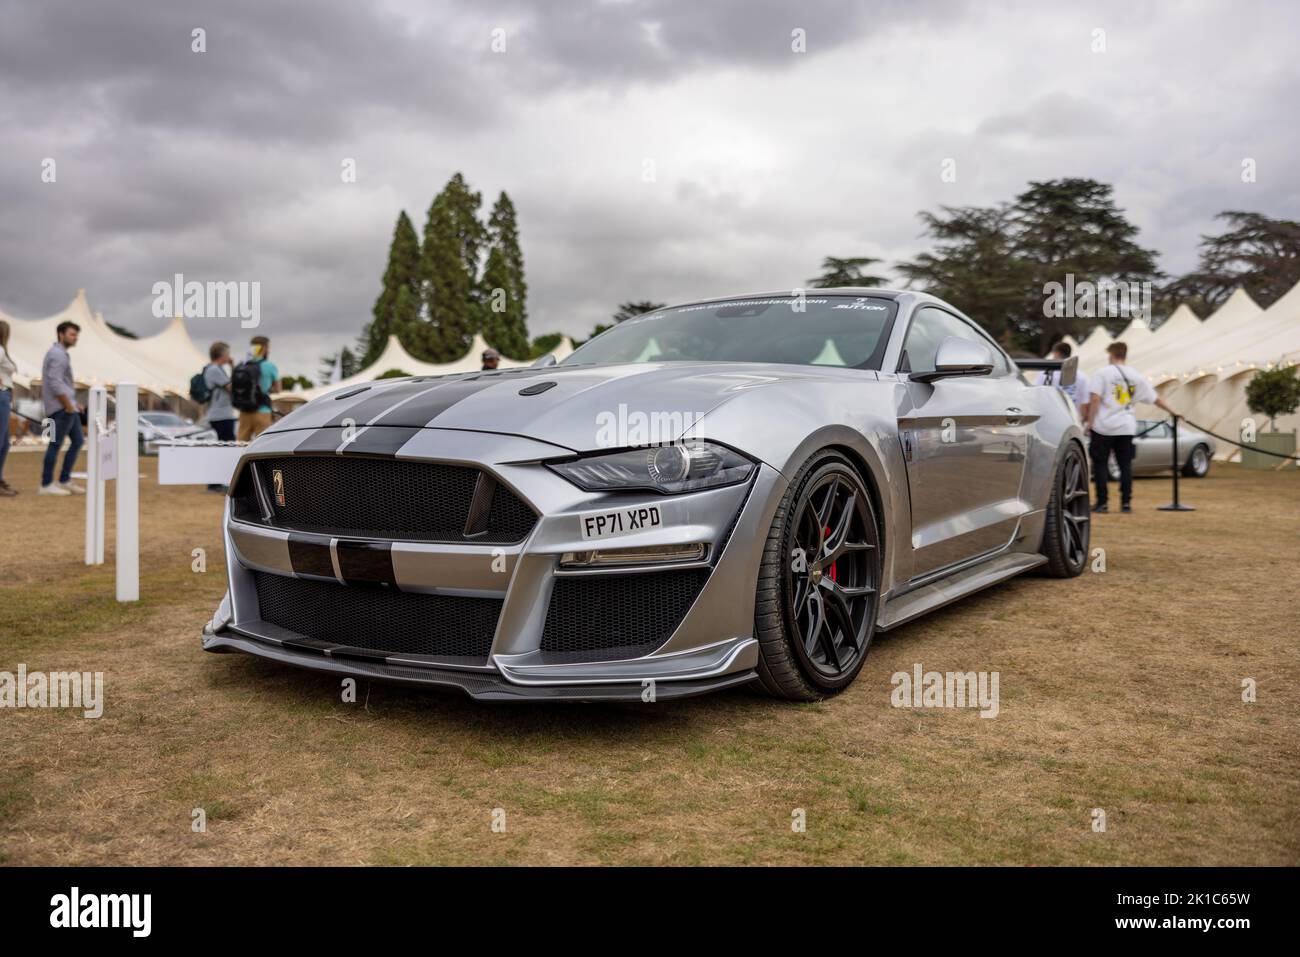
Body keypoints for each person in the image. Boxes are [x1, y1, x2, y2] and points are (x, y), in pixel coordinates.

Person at [1086, 341, 1176, 514]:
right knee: (1125, 465)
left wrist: (1089, 423)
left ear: (1111, 355)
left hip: (1103, 426)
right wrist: (1174, 411)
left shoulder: (1102, 373)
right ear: (1125, 355)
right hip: (1126, 426)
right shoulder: (1135, 375)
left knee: (1100, 465)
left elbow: (1095, 399)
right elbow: (1155, 398)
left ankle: (1102, 502)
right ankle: (1126, 503)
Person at [40, 321, 85, 496]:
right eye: (72, 334)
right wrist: (67, 404)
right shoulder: (57, 354)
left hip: (66, 407)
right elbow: (55, 382)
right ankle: (46, 484)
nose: (75, 338)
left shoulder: (60, 354)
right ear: (61, 334)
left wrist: (73, 403)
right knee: (55, 444)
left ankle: (64, 480)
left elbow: (62, 383)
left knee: (78, 441)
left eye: (76, 334)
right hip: (60, 408)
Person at [203, 341, 237, 492]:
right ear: (222, 355)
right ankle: (215, 483)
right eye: (227, 354)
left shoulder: (214, 369)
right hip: (221, 415)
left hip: (220, 414)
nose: (229, 357)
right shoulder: (215, 370)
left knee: (223, 447)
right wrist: (233, 366)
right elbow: (232, 386)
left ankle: (217, 482)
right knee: (225, 448)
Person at [234, 335, 280, 442]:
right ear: (263, 348)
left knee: (240, 445)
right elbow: (278, 389)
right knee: (263, 446)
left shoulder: (242, 365)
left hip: (244, 411)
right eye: (268, 347)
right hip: (262, 411)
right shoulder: (269, 366)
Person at [1037, 341, 1091, 417]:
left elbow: (1038, 395)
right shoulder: (1082, 376)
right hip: (1072, 419)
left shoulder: (1044, 373)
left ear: (1057, 353)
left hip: (1050, 417)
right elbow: (1085, 403)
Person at [0, 320, 17, 497]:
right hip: (2, 396)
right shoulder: (0, 349)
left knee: (4, 443)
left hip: (4, 397)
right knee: (1, 443)